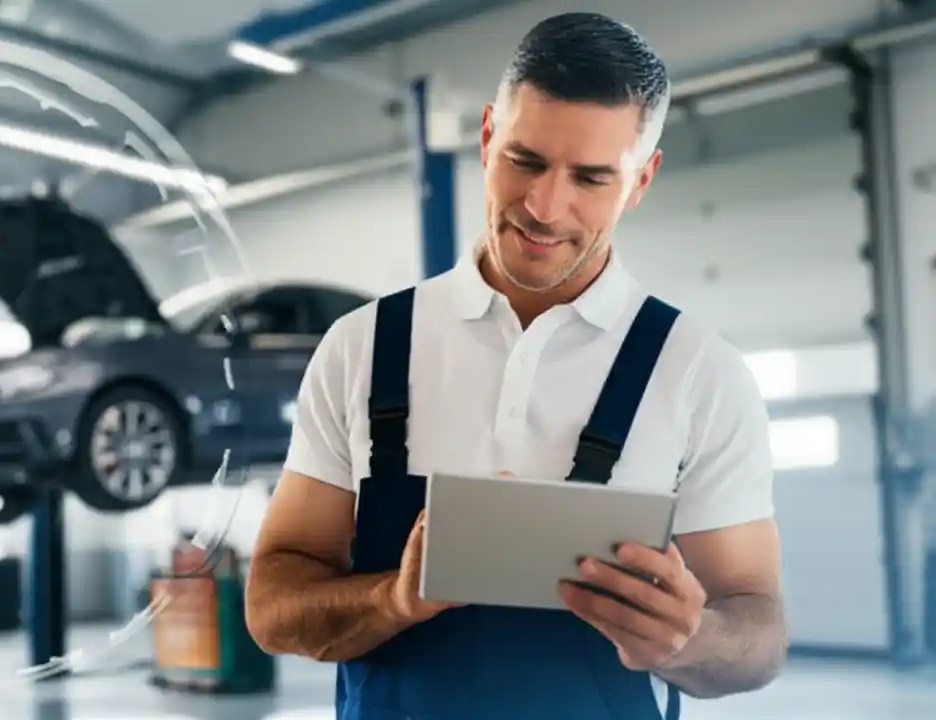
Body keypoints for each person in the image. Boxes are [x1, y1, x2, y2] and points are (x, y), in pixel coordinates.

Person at [243, 11, 788, 720]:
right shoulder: (362, 348)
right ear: (486, 136)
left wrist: (691, 638)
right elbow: (273, 607)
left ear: (641, 180)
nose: (543, 206)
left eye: (591, 178)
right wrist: (394, 598)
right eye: (524, 160)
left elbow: (760, 636)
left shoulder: (700, 375)